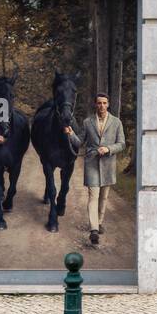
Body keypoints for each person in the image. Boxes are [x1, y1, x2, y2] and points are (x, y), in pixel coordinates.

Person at [65, 94, 125, 247]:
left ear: (108, 104)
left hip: (108, 165)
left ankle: (99, 222)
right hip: (91, 163)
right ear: (95, 105)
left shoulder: (116, 122)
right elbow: (79, 142)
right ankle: (94, 230)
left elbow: (122, 144)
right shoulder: (87, 122)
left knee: (103, 198)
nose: (102, 106)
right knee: (93, 196)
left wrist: (109, 148)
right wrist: (71, 134)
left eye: (104, 103)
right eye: (99, 103)